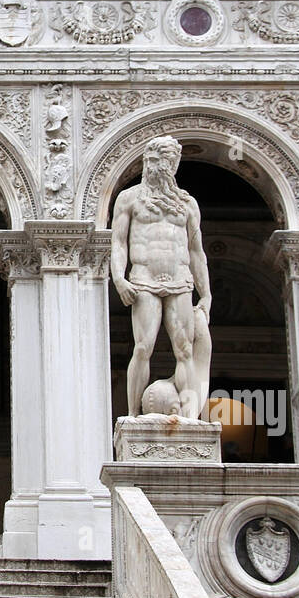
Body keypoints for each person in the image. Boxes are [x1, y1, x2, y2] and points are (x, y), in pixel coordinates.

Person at [110, 136, 212, 419]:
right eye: (154, 160)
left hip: (180, 280)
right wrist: (119, 278)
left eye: (166, 161)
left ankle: (190, 416)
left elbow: (196, 251)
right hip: (144, 280)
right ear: (146, 162)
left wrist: (206, 293)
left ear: (175, 164)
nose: (159, 167)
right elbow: (118, 243)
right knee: (143, 347)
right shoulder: (130, 198)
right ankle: (132, 415)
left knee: (185, 350)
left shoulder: (188, 203)